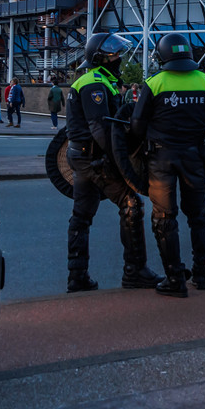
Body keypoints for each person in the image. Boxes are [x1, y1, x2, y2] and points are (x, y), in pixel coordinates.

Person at [132, 33, 205, 296]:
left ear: (162, 55)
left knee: (164, 217)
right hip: (194, 157)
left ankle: (174, 278)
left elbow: (137, 125)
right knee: (198, 215)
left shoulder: (155, 83)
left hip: (161, 159)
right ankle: (202, 273)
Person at [65, 32, 160, 293]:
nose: (118, 58)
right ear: (101, 58)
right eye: (114, 54)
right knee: (131, 204)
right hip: (94, 158)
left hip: (82, 156)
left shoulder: (98, 80)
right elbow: (101, 128)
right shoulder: (94, 84)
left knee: (81, 215)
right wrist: (122, 163)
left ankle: (77, 275)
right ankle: (135, 270)